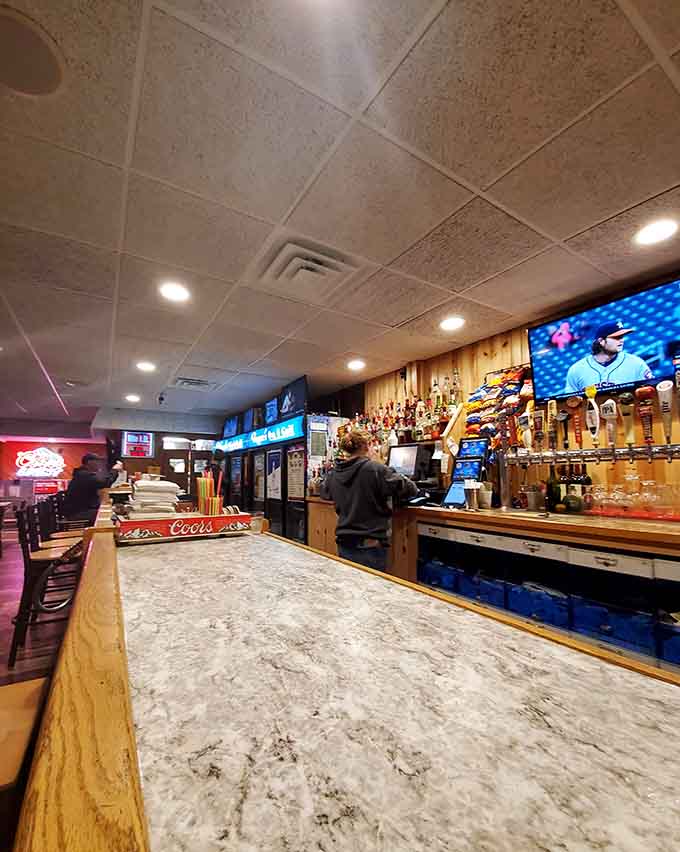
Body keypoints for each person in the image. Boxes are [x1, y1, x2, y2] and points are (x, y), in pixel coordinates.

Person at [320, 430, 418, 572]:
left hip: (344, 544)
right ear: (366, 446)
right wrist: (379, 464)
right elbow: (410, 489)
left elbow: (324, 493)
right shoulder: (375, 469)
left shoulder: (334, 474)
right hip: (370, 547)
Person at [563, 320, 653, 394]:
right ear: (601, 341)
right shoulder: (576, 369)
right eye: (616, 337)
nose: (621, 341)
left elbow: (651, 391)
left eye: (622, 337)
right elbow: (570, 401)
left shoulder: (636, 364)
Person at [63, 453, 123, 525]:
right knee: (110, 517)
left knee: (110, 512)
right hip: (78, 513)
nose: (100, 464)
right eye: (97, 462)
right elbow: (105, 483)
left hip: (81, 510)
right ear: (89, 462)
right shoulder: (84, 475)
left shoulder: (82, 474)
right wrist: (115, 470)